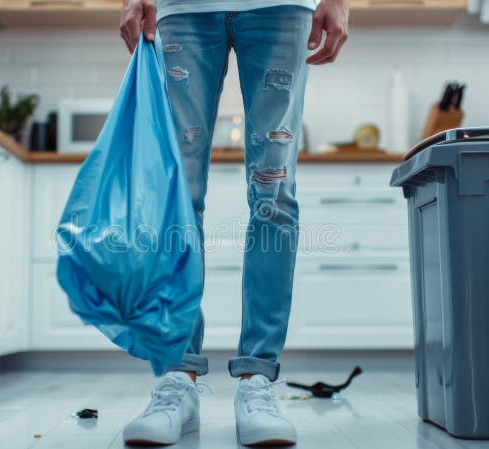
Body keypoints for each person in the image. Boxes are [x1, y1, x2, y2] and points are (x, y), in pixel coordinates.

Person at [118, 0, 349, 445]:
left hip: (281, 7)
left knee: (273, 196)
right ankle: (178, 380)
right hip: (181, 8)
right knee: (176, 198)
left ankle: (256, 382)